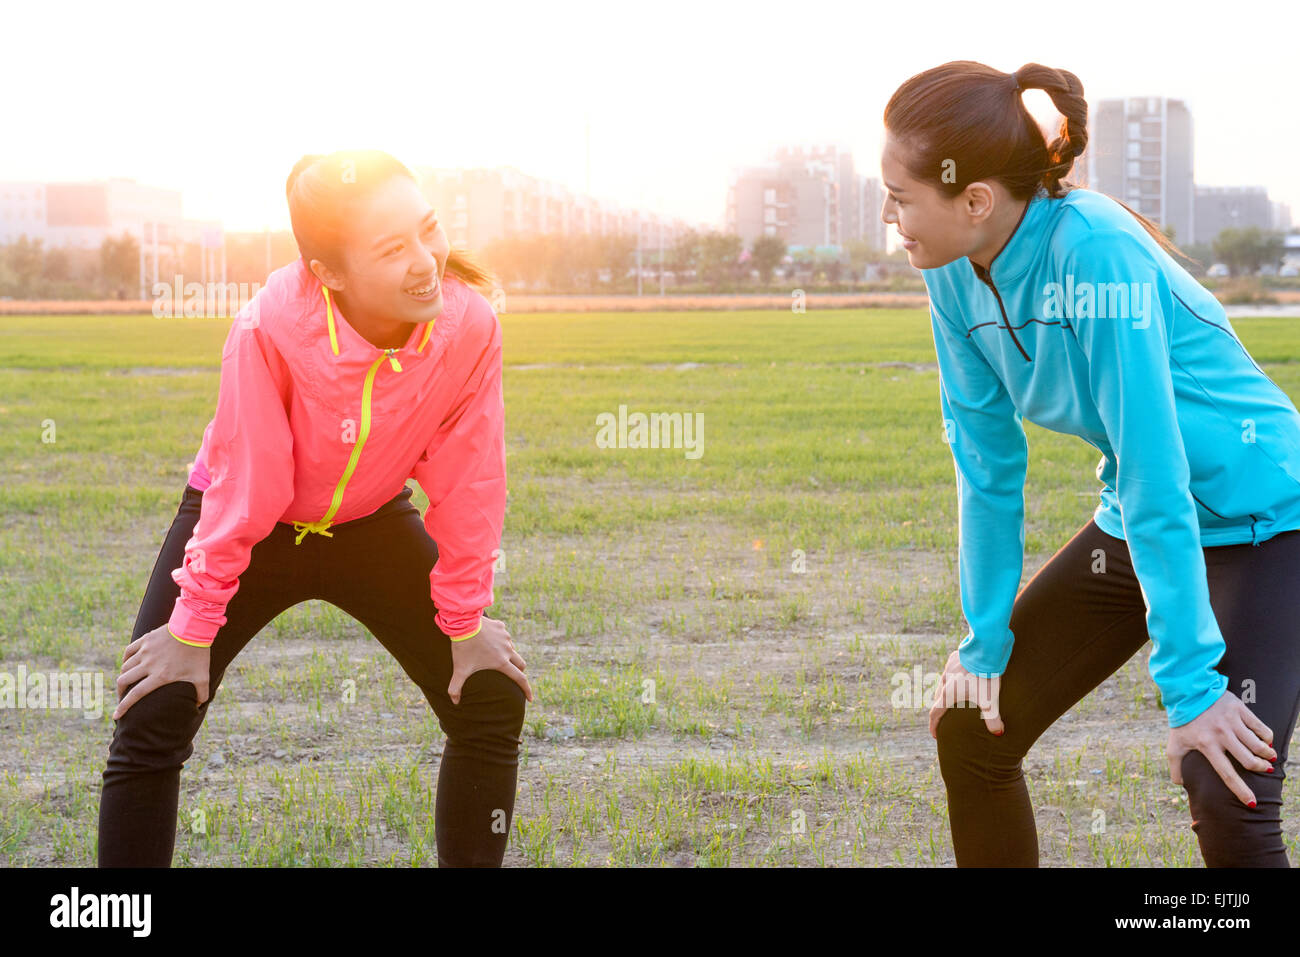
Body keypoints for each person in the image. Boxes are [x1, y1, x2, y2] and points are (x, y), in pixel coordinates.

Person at [881, 61, 1300, 866]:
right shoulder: (951, 274)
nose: (891, 216)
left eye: (901, 198)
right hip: (1140, 519)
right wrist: (983, 642)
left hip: (1269, 521)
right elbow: (987, 464)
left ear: (974, 200)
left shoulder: (1096, 252)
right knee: (975, 724)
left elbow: (1153, 466)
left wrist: (1190, 690)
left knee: (1224, 780)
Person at [97, 149, 532, 868]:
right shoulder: (271, 326)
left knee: (488, 692)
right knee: (157, 704)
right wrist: (194, 625)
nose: (427, 260)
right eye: (393, 249)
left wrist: (464, 620)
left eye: (429, 230)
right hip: (249, 520)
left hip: (369, 518)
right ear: (328, 272)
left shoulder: (469, 327)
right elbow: (248, 486)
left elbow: (471, 478)